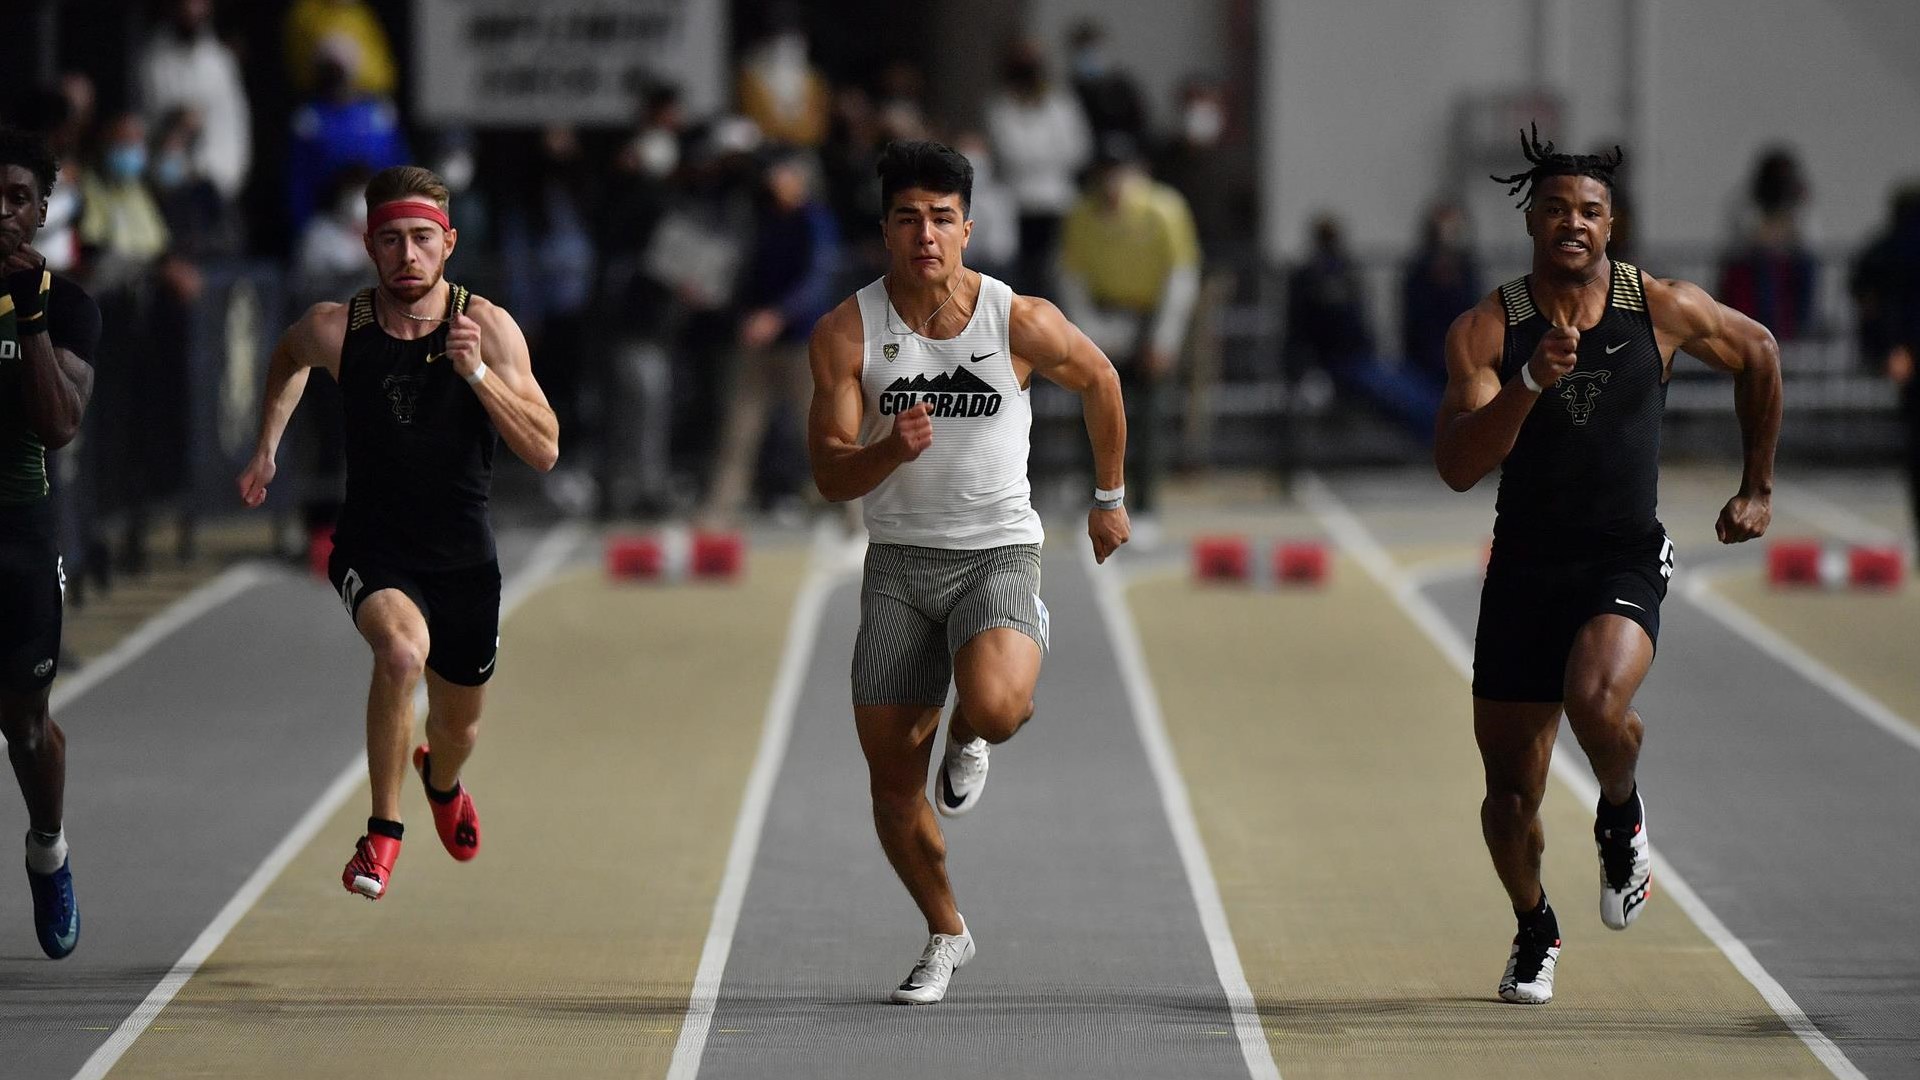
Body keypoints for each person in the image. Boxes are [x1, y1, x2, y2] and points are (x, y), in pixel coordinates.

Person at [1435, 126, 1780, 1005]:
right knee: (1509, 799)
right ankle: (1535, 926)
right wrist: (1528, 383)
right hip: (1524, 569)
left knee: (1597, 702)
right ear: (1531, 222)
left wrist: (1757, 486)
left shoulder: (1658, 307)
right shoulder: (1487, 329)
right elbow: (1459, 465)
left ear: (1611, 224)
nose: (1572, 223)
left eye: (1589, 211)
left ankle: (1620, 811)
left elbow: (1760, 353)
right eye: (1555, 209)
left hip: (1620, 555)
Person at [808, 140, 1129, 1005]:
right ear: (885, 230)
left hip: (997, 551)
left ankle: (972, 733)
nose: (926, 235)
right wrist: (887, 450)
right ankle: (946, 933)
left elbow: (1100, 379)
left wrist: (1108, 498)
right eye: (908, 218)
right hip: (899, 567)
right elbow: (829, 472)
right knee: (891, 789)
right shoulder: (847, 332)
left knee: (995, 705)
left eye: (942, 219)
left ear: (967, 229)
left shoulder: (1015, 318)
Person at [236, 165, 558, 900]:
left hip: (464, 560)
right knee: (401, 652)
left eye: (421, 238)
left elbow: (544, 449)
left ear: (449, 243)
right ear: (368, 245)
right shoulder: (337, 328)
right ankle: (383, 833)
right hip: (374, 546)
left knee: (458, 732)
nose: (407, 255)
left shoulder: (489, 327)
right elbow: (287, 357)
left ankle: (440, 782)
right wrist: (267, 446)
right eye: (390, 240)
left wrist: (478, 375)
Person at [1, 126, 101, 958]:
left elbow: (60, 424)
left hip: (19, 541)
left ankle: (48, 851)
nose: (1, 212)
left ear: (40, 213)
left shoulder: (66, 307)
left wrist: (27, 316)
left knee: (26, 728)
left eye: (17, 198)